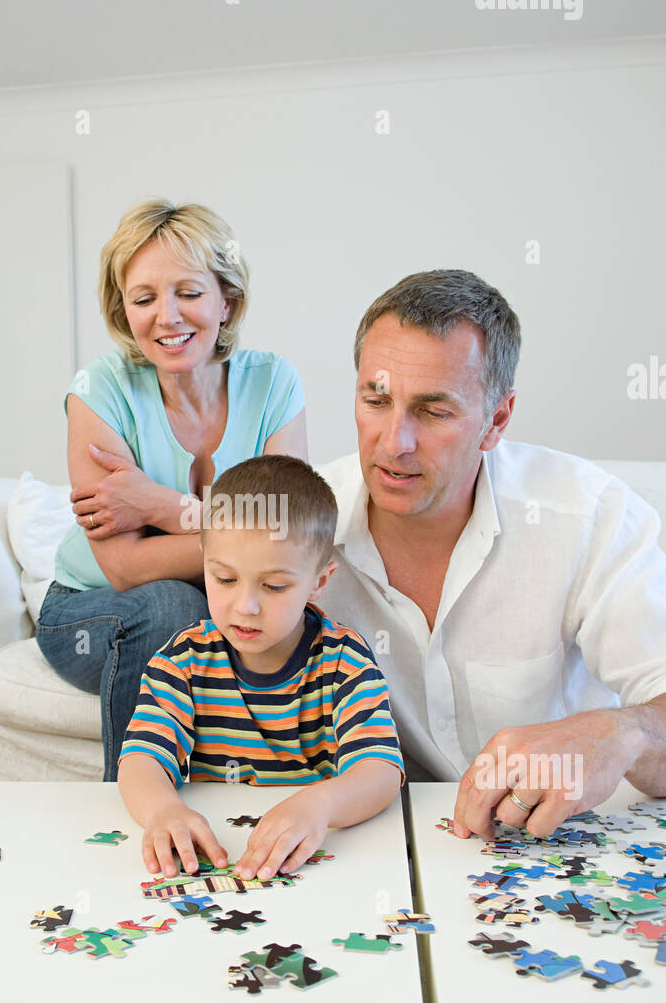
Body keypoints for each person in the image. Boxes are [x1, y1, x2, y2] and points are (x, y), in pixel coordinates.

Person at [319, 269, 666, 840]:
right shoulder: (299, 530)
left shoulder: (589, 516)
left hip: (555, 849)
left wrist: (621, 734)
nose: (394, 442)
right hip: (372, 846)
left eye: (434, 412)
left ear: (496, 420)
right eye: (376, 400)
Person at [36, 199, 308, 781]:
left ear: (225, 300)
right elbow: (128, 568)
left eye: (188, 292)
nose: (167, 316)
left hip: (228, 599)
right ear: (124, 310)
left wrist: (160, 505)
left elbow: (291, 536)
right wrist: (246, 532)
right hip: (86, 608)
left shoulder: (274, 381)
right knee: (174, 606)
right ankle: (135, 809)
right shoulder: (98, 390)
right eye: (144, 299)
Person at [117, 455, 405, 882]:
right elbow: (141, 758)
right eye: (225, 579)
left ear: (319, 581)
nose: (245, 606)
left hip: (317, 860)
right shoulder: (184, 660)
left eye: (273, 586)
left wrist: (319, 805)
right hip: (223, 856)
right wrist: (164, 809)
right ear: (205, 559)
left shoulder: (344, 660)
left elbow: (380, 770)